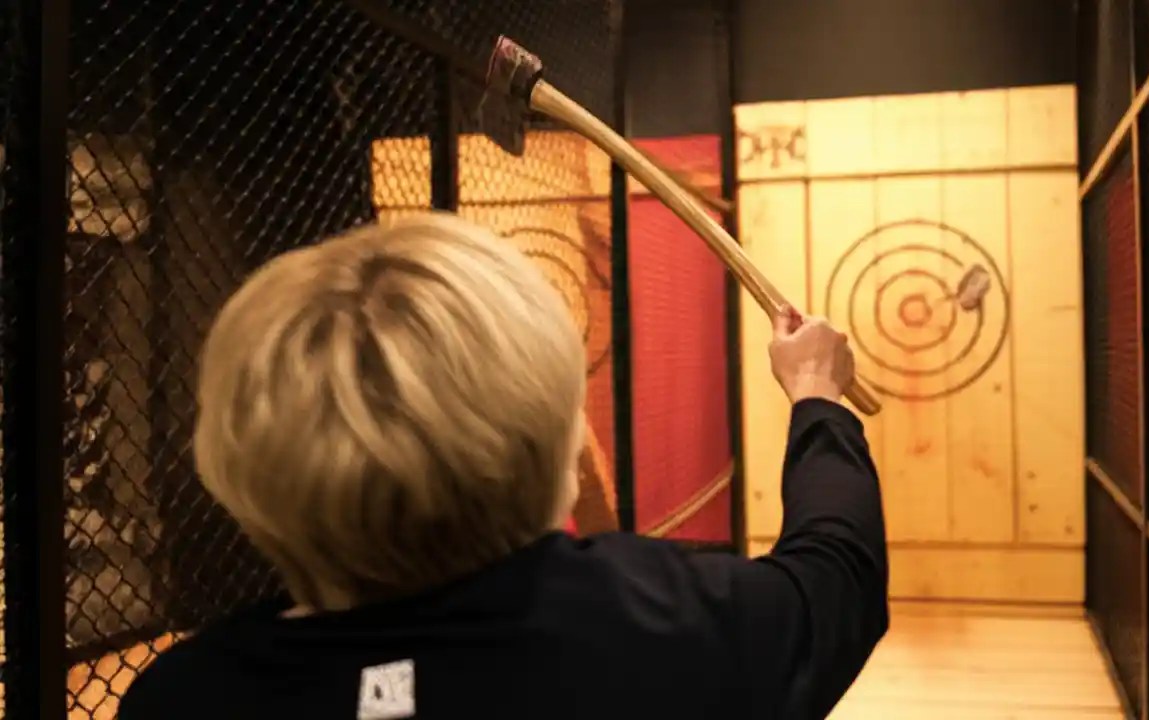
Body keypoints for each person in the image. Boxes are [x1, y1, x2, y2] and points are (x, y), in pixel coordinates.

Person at [119, 213, 888, 720]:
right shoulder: (671, 627)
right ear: (557, 446)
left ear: (240, 462)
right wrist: (815, 393)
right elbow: (837, 571)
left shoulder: (182, 701)